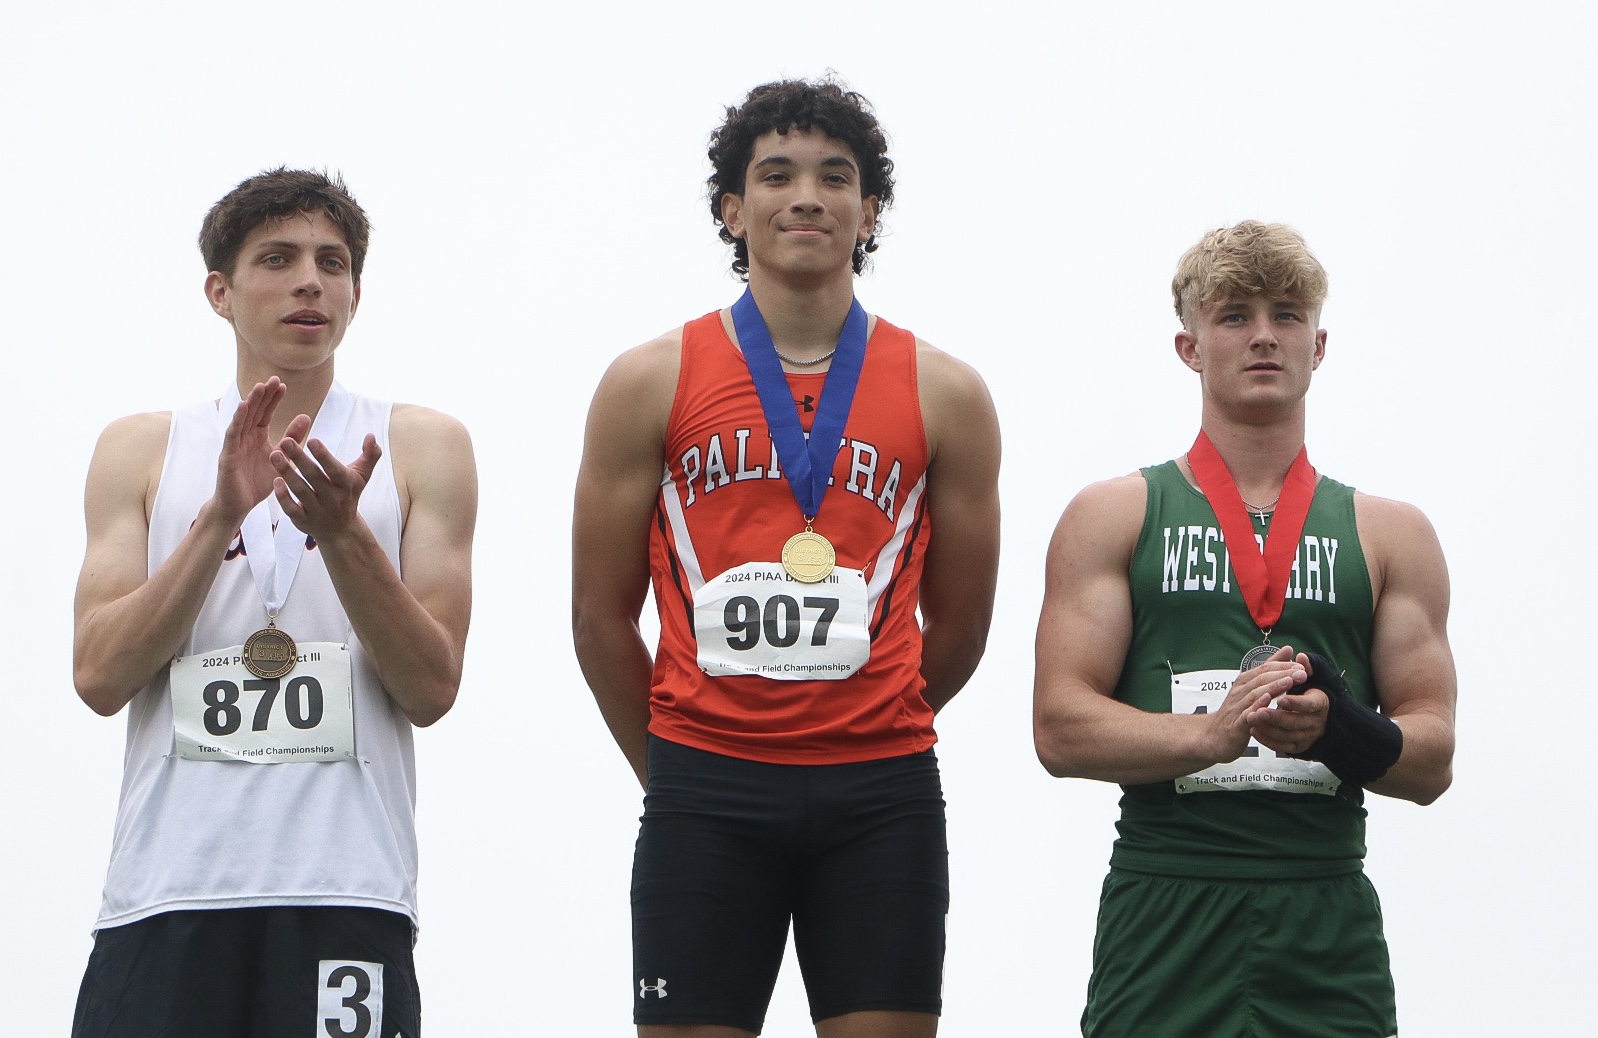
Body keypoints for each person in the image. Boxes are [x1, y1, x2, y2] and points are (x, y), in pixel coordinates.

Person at [573, 79, 1000, 1038]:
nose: (806, 195)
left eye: (834, 177)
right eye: (777, 175)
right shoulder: (648, 381)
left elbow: (964, 626)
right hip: (704, 786)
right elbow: (599, 619)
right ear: (733, 208)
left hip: (882, 794)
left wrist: (861, 715)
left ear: (869, 211)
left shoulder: (948, 392)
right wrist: (681, 768)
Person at [70, 168, 477, 1038]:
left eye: (333, 264)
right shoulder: (143, 448)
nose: (309, 282)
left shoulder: (418, 444)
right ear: (220, 291)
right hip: (166, 890)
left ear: (356, 294)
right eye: (278, 259)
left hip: (347, 888)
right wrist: (221, 511)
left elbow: (432, 686)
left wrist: (344, 533)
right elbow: (99, 675)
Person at [1033, 221, 1456, 1038]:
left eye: (1287, 314)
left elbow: (1433, 756)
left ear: (1319, 345)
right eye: (1233, 315)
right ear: (1189, 346)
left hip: (1323, 910)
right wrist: (1209, 735)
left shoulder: (1391, 534)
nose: (1263, 334)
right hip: (1165, 903)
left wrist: (1342, 730)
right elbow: (1059, 728)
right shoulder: (1114, 514)